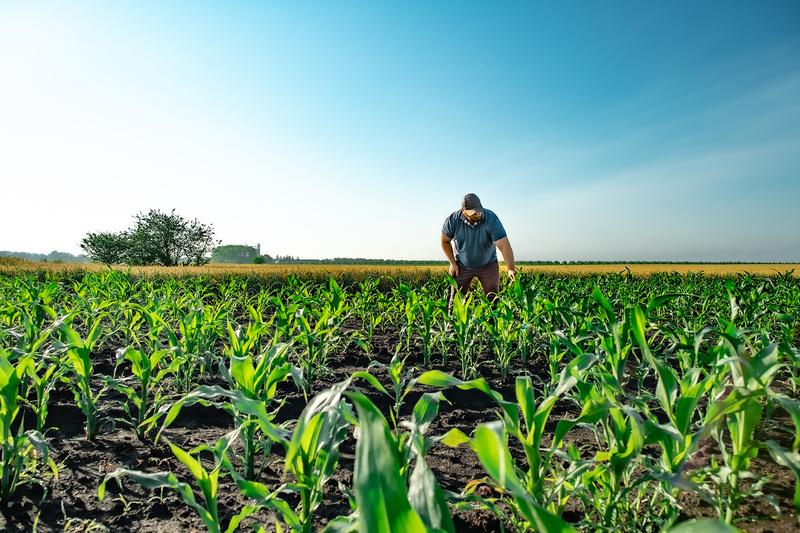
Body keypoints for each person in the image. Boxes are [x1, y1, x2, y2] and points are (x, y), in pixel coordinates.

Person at [440, 193, 516, 308]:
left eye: (479, 211)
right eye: (473, 212)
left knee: (493, 299)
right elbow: (444, 241)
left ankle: (493, 319)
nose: (478, 214)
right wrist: (453, 263)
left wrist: (510, 268)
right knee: (456, 300)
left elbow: (504, 245)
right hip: (462, 265)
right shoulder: (452, 221)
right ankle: (453, 320)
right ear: (463, 211)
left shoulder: (491, 219)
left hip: (488, 264)